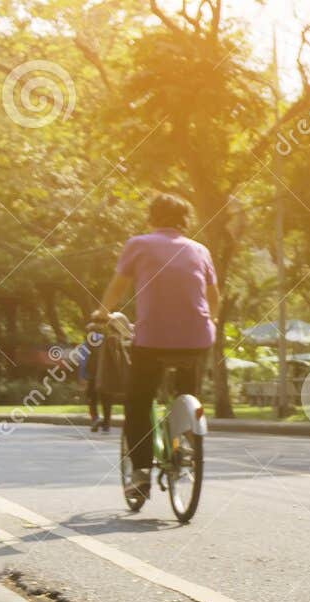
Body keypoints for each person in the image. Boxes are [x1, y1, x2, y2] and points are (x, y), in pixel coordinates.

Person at [93, 192, 219, 500]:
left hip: (152, 340)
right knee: (187, 393)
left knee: (138, 400)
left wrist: (102, 313)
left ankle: (140, 474)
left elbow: (118, 286)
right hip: (197, 339)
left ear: (152, 218)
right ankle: (186, 443)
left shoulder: (139, 244)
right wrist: (212, 322)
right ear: (184, 221)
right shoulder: (200, 250)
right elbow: (215, 296)